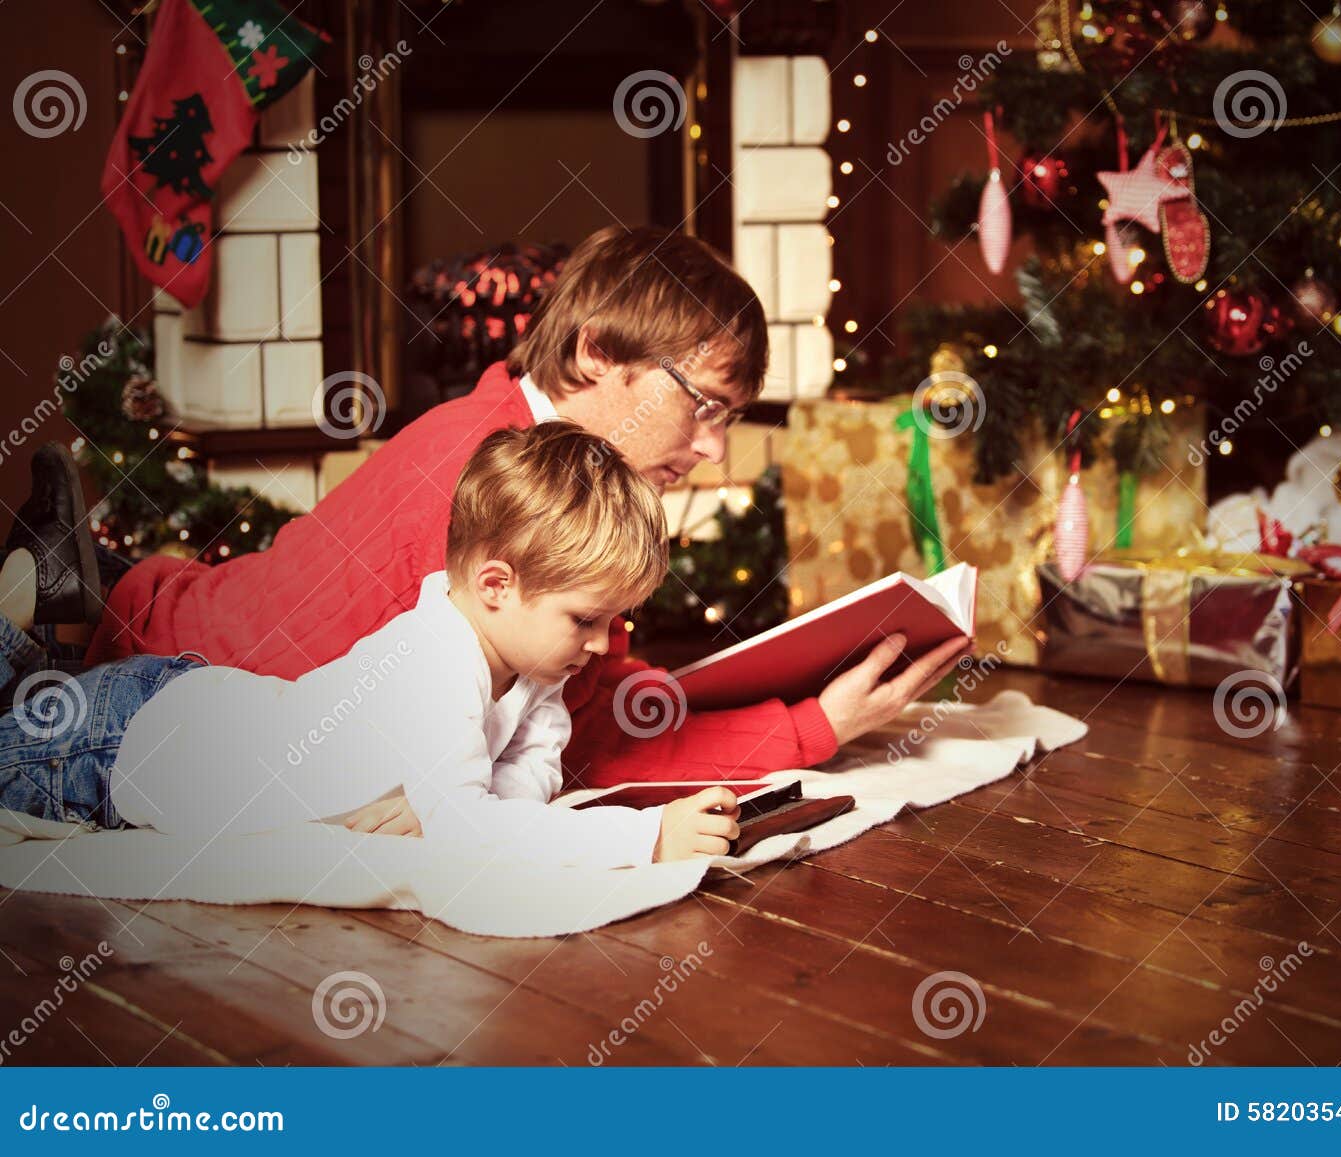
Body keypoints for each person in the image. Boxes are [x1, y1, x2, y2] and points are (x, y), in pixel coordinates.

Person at [23, 225, 969, 825]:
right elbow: (595, 752)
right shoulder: (499, 481)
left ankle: (81, 574)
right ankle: (77, 590)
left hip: (185, 627)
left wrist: (778, 698)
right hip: (151, 674)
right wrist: (813, 725)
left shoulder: (535, 456)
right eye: (705, 405)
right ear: (598, 354)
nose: (714, 449)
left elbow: (588, 703)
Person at [0, 424, 741, 865]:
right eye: (585, 619)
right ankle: (22, 620)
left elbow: (524, 783)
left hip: (187, 699)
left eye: (613, 619)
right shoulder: (432, 661)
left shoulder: (536, 670)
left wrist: (447, 808)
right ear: (494, 586)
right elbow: (471, 843)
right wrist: (643, 839)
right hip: (123, 745)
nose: (602, 643)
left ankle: (36, 612)